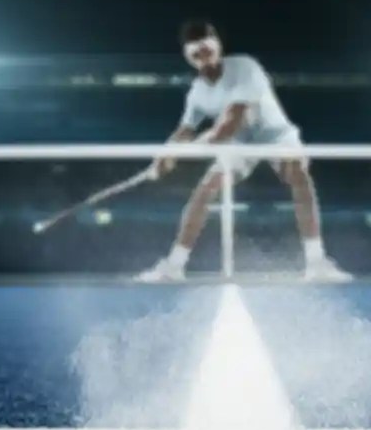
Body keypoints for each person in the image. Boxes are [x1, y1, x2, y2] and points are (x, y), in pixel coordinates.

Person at [137, 20, 352, 282]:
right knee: (206, 190)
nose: (204, 57)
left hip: (275, 135)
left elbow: (229, 124)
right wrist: (163, 157)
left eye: (207, 48)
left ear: (217, 46)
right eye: (197, 53)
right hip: (240, 144)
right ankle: (174, 266)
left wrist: (187, 151)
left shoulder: (244, 67)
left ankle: (317, 263)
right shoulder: (197, 92)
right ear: (190, 57)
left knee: (297, 174)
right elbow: (183, 131)